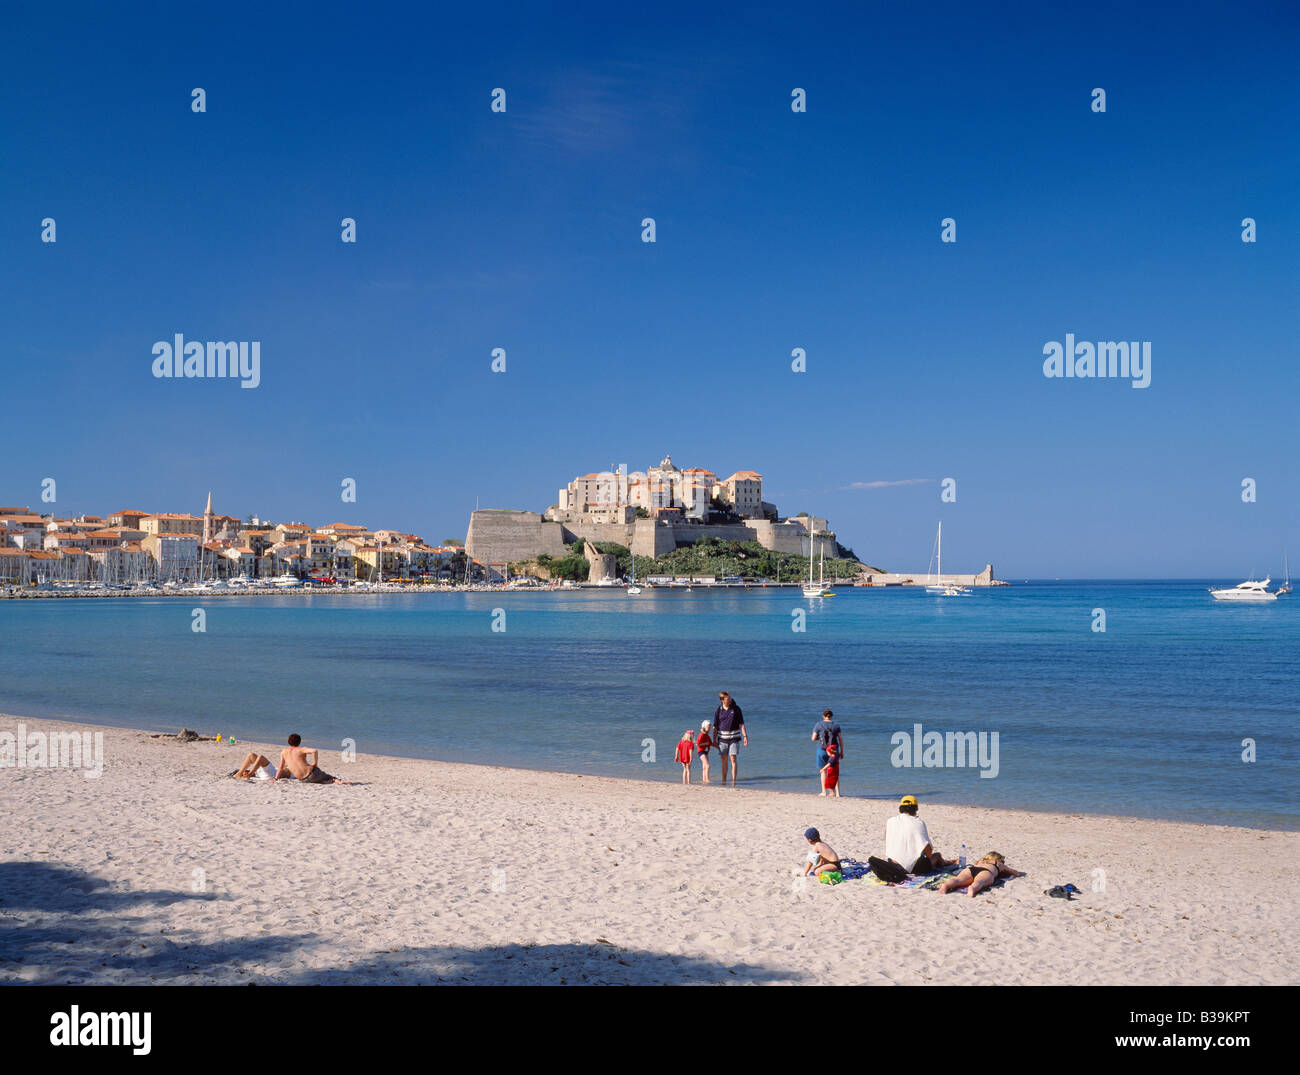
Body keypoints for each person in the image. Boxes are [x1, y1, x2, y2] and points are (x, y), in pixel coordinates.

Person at [884, 795, 953, 874]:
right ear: (915, 808)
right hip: (912, 869)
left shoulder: (890, 821)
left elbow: (888, 839)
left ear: (901, 808)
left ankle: (948, 861)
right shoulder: (918, 822)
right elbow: (928, 850)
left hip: (893, 865)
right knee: (937, 855)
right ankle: (948, 862)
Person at [272, 734, 352, 785]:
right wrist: (315, 763)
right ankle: (338, 781)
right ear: (299, 742)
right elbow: (314, 751)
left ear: (289, 742)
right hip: (312, 774)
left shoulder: (284, 752)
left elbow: (281, 767)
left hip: (303, 780)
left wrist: (275, 778)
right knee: (330, 777)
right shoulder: (301, 749)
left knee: (322, 779)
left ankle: (326, 781)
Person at [938, 851, 1024, 897]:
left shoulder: (980, 861)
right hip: (986, 872)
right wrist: (1018, 873)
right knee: (979, 882)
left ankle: (945, 886)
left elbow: (974, 865)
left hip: (972, 869)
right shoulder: (998, 864)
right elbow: (1015, 873)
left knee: (958, 880)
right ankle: (972, 889)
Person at [712, 691, 748, 787]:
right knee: (724, 760)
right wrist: (714, 739)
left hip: (734, 738)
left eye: (730, 698)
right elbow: (715, 726)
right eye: (728, 699)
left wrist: (745, 736)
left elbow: (741, 724)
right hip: (722, 739)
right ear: (722, 700)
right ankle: (723, 780)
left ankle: (733, 781)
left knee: (733, 758)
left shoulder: (736, 709)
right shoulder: (718, 710)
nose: (730, 700)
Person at [810, 709, 843, 790]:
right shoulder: (836, 725)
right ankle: (836, 793)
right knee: (835, 772)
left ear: (823, 716)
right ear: (831, 716)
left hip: (822, 749)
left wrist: (821, 737)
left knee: (823, 771)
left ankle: (824, 791)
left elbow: (813, 738)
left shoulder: (818, 724)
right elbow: (840, 739)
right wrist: (842, 751)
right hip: (833, 750)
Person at [695, 720, 714, 784]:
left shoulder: (707, 735)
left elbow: (711, 743)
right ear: (704, 727)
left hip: (706, 752)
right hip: (701, 751)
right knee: (707, 765)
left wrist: (719, 748)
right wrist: (705, 743)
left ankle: (704, 780)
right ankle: (707, 779)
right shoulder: (701, 735)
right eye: (708, 727)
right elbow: (697, 744)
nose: (709, 728)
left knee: (704, 767)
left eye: (710, 727)